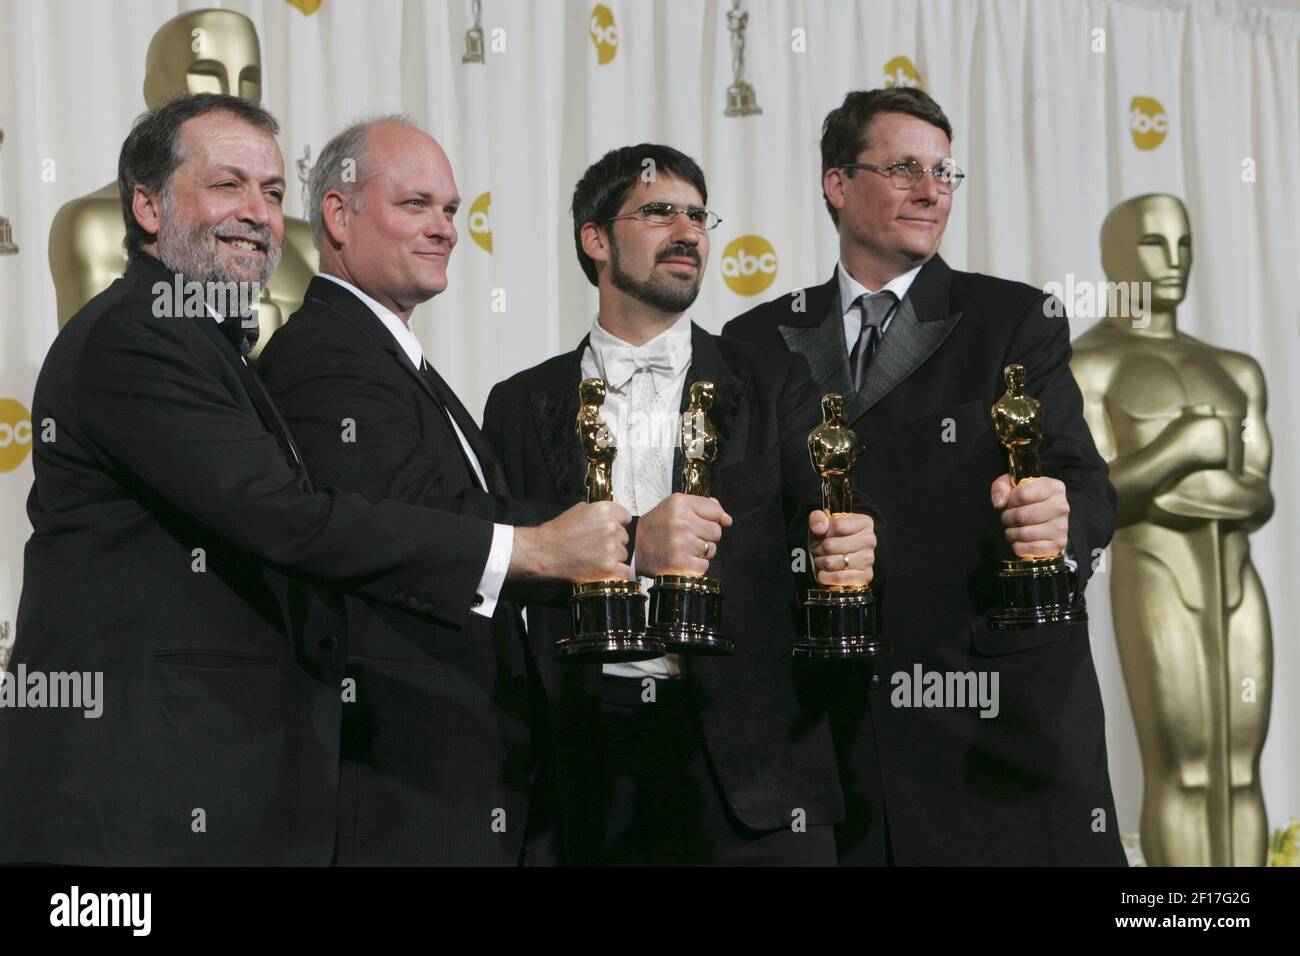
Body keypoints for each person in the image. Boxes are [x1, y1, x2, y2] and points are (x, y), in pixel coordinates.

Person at [0, 94, 629, 866]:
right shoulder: (139, 335)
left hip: (204, 787)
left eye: (270, 191)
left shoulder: (207, 342)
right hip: (131, 797)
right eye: (227, 185)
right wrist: (523, 551)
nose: (258, 213)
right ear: (147, 205)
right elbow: (287, 519)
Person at [259, 118, 710, 865]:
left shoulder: (383, 351)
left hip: (463, 774)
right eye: (416, 206)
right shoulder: (326, 353)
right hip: (405, 780)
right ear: (337, 216)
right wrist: (628, 545)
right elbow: (415, 525)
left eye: (451, 211)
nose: (443, 229)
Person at [724, 87, 1125, 865]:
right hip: (832, 728)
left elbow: (1084, 482)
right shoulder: (756, 338)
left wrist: (1060, 522)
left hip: (995, 719)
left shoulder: (1013, 319)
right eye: (905, 167)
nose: (930, 189)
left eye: (944, 172)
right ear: (838, 184)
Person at [483, 144, 880, 865]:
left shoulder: (776, 381)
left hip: (757, 774)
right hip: (581, 771)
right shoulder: (517, 404)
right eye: (660, 211)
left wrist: (846, 547)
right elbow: (504, 568)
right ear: (595, 239)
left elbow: (828, 524)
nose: (689, 231)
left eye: (699, 215)